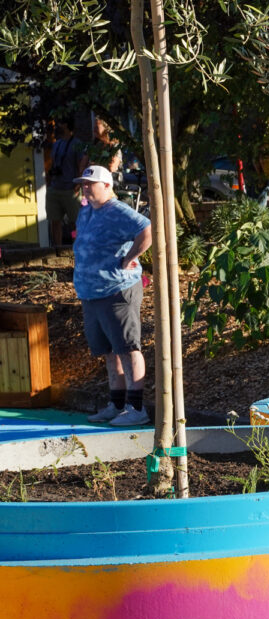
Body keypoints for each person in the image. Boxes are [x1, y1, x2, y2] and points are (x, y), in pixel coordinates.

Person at [72, 165, 153, 427]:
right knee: (108, 351)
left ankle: (136, 408)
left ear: (107, 186)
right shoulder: (85, 211)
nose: (85, 187)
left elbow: (146, 230)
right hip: (91, 293)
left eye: (90, 183)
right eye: (83, 183)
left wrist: (131, 258)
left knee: (128, 348)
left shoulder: (119, 210)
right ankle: (117, 405)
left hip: (117, 290)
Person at [45, 118, 87, 248]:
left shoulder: (77, 143)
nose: (58, 125)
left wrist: (78, 183)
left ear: (68, 126)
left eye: (62, 123)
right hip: (55, 187)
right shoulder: (57, 144)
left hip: (70, 188)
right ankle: (56, 248)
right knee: (55, 220)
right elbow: (51, 164)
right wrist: (49, 182)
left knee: (75, 222)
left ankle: (76, 247)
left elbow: (81, 163)